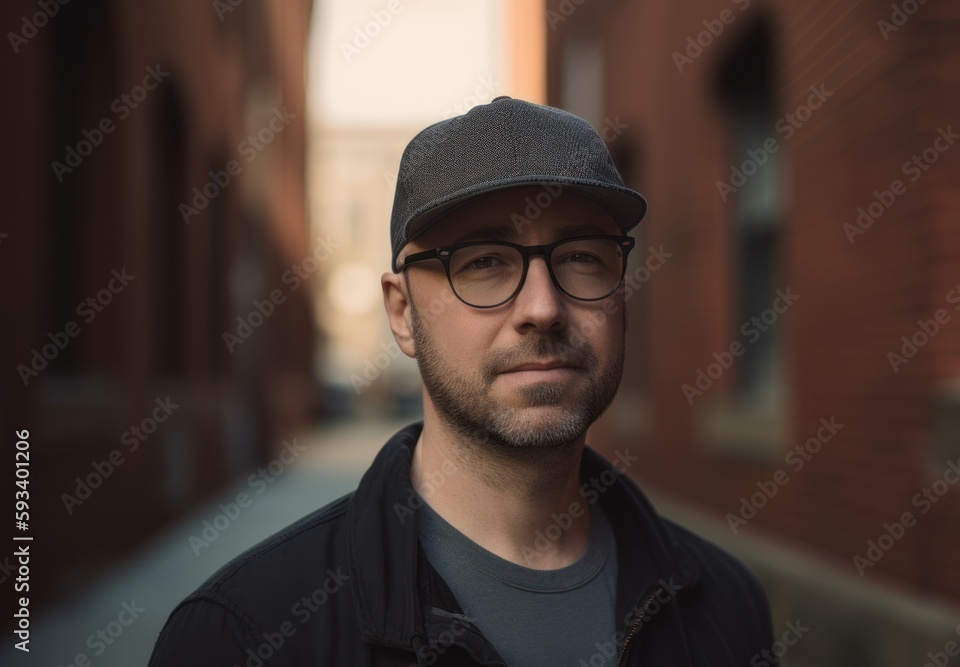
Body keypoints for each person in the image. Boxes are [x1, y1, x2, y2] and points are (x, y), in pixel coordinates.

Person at [148, 96, 774, 666]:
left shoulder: (725, 605)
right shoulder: (244, 636)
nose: (543, 308)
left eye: (582, 256)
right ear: (402, 314)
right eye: (481, 263)